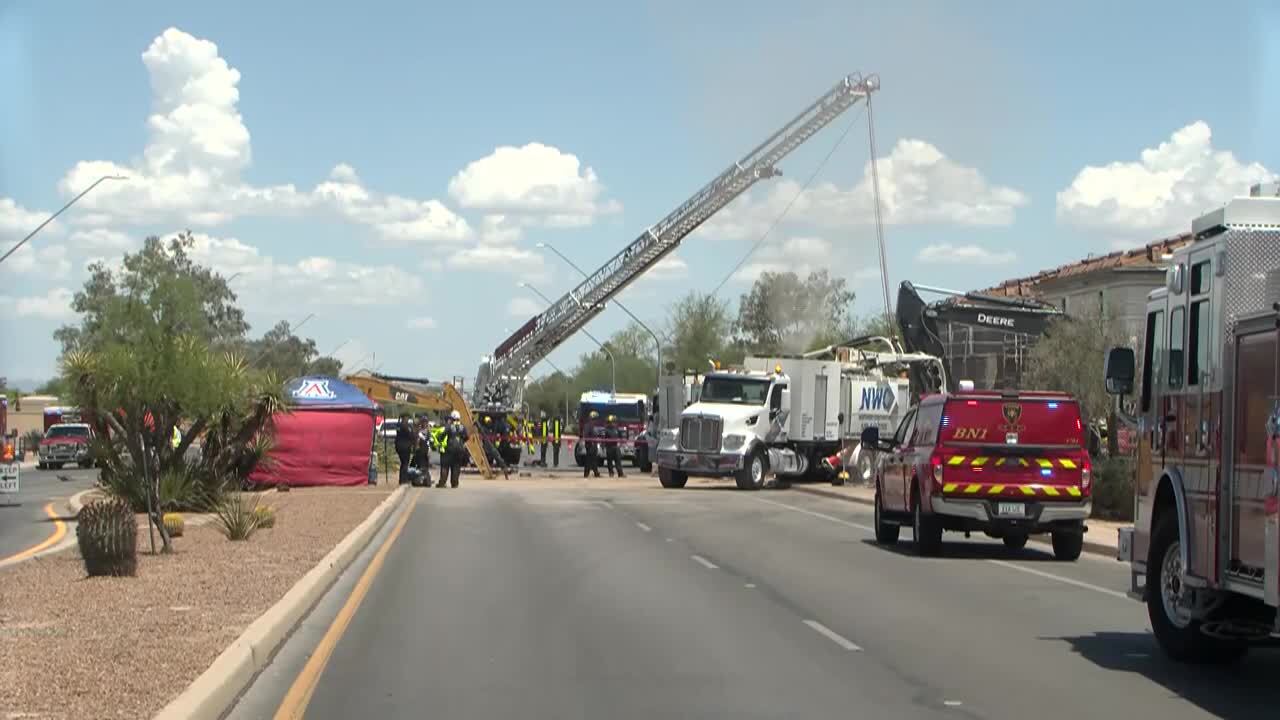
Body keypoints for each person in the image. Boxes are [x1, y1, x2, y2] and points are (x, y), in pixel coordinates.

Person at [440, 410, 469, 488]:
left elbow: (442, 435)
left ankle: (442, 483)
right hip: (460, 449)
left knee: (445, 465)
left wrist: (441, 442)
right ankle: (455, 483)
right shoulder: (463, 427)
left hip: (450, 448)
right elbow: (467, 437)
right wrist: (461, 441)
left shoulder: (449, 426)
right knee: (456, 466)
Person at [394, 415, 415, 485]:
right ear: (404, 418)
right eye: (407, 418)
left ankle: (402, 479)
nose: (407, 420)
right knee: (405, 463)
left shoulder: (398, 425)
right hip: (405, 447)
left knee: (403, 463)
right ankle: (404, 479)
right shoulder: (405, 426)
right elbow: (410, 435)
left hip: (399, 446)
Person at [582, 410, 601, 478]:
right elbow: (586, 435)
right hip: (590, 445)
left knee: (594, 460)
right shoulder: (588, 425)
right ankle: (586, 474)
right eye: (595, 419)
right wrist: (591, 442)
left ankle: (596, 473)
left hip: (594, 445)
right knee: (589, 460)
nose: (596, 420)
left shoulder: (593, 426)